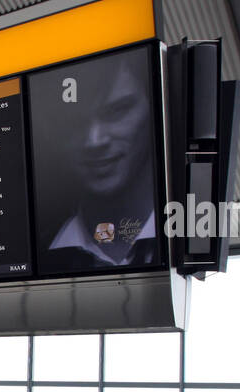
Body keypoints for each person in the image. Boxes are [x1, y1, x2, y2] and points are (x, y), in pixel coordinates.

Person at [31, 46, 160, 275]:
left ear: (154, 110)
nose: (94, 140)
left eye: (117, 112)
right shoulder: (35, 254)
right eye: (74, 122)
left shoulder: (186, 231)